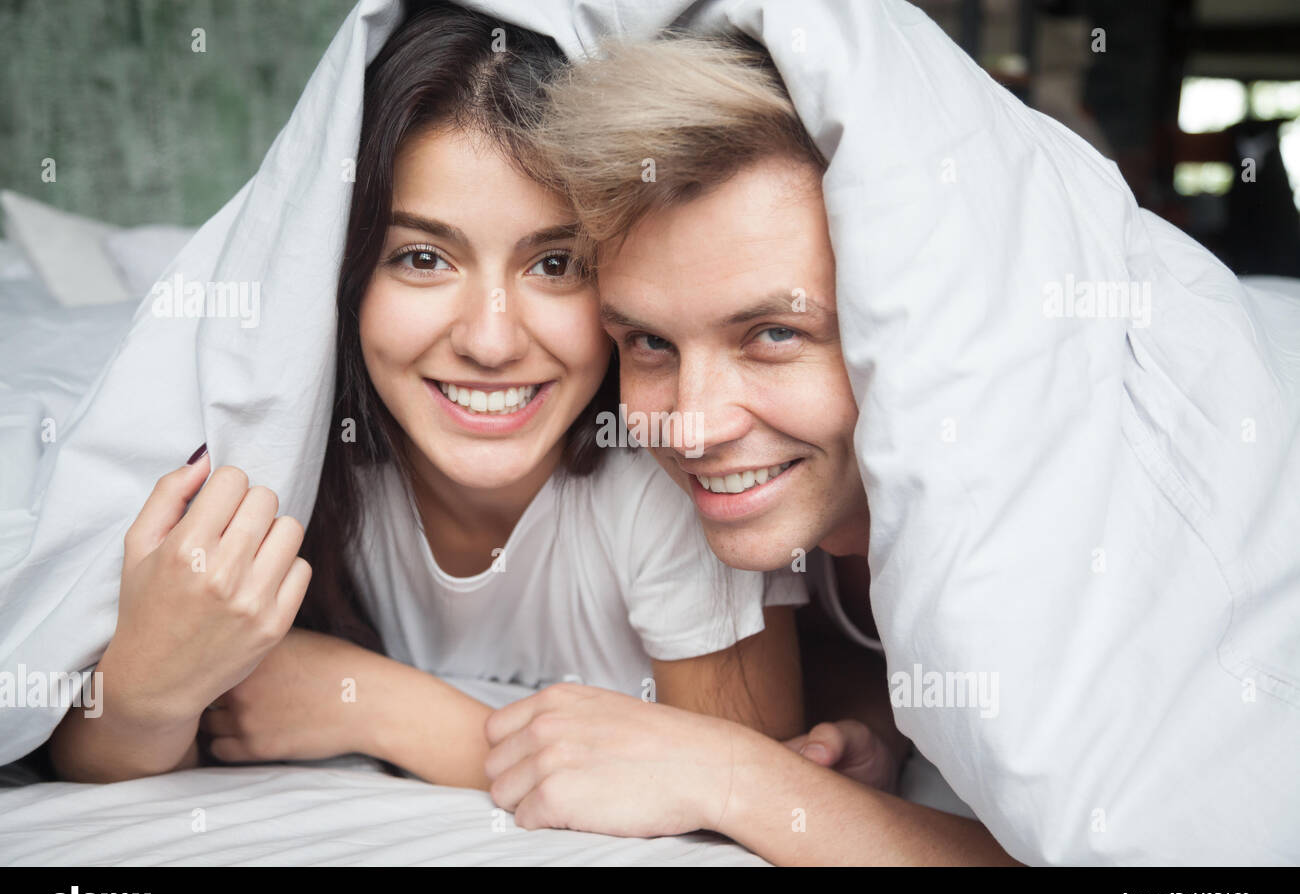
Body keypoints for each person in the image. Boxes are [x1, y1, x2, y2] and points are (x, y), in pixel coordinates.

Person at [46, 5, 805, 788]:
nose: (489, 340)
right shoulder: (289, 474)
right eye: (422, 258)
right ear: (344, 279)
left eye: (554, 264)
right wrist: (145, 694)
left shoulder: (675, 483)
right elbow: (97, 754)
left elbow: (748, 796)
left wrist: (376, 705)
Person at [484, 34, 1016, 864]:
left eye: (773, 333)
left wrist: (733, 776)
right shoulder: (831, 522)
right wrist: (880, 726)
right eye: (651, 343)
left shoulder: (1041, 532)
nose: (690, 427)